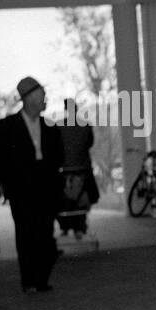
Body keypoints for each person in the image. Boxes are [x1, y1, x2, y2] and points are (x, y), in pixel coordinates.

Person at [0, 76, 64, 294]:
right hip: (22, 191)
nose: (45, 100)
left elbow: (58, 156)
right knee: (26, 235)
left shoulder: (50, 127)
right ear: (29, 98)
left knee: (46, 235)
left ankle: (41, 278)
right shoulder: (6, 127)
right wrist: (8, 184)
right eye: (41, 95)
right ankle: (30, 280)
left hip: (46, 189)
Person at [56, 97, 98, 239]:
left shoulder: (58, 126)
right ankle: (79, 227)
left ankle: (65, 226)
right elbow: (89, 144)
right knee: (81, 198)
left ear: (66, 109)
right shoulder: (85, 126)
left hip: (63, 170)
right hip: (82, 169)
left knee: (63, 199)